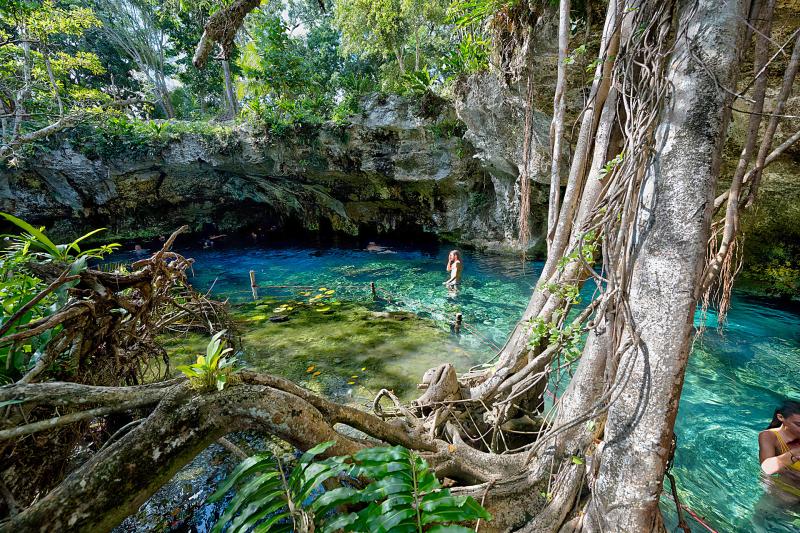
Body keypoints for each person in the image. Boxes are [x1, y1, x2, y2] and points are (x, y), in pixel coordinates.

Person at [758, 400, 800, 497]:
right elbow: (766, 469)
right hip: (787, 488)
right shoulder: (769, 436)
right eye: (799, 425)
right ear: (780, 417)